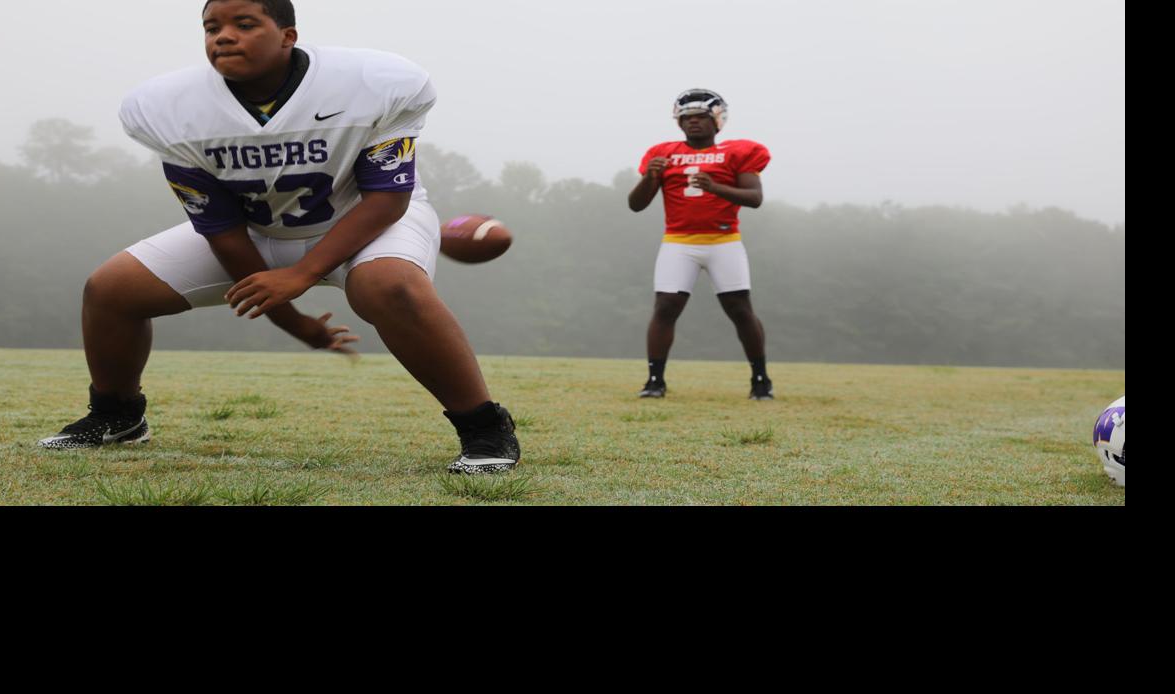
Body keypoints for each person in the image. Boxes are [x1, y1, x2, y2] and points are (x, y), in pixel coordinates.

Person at [38, 0, 520, 474]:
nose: (223, 35)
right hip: (260, 228)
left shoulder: (371, 85)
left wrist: (303, 274)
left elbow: (386, 199)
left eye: (244, 24)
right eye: (212, 27)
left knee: (387, 286)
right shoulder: (171, 111)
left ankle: (483, 426)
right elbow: (221, 229)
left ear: (288, 35)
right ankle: (117, 415)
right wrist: (294, 321)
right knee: (110, 290)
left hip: (367, 221)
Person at [626, 89, 773, 400]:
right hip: (678, 242)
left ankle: (760, 380)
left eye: (700, 118)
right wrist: (649, 178)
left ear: (716, 120)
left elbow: (755, 198)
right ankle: (655, 381)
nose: (693, 123)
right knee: (665, 307)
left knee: (740, 310)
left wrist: (715, 187)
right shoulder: (663, 153)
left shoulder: (738, 152)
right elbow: (636, 205)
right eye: (687, 118)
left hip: (724, 241)